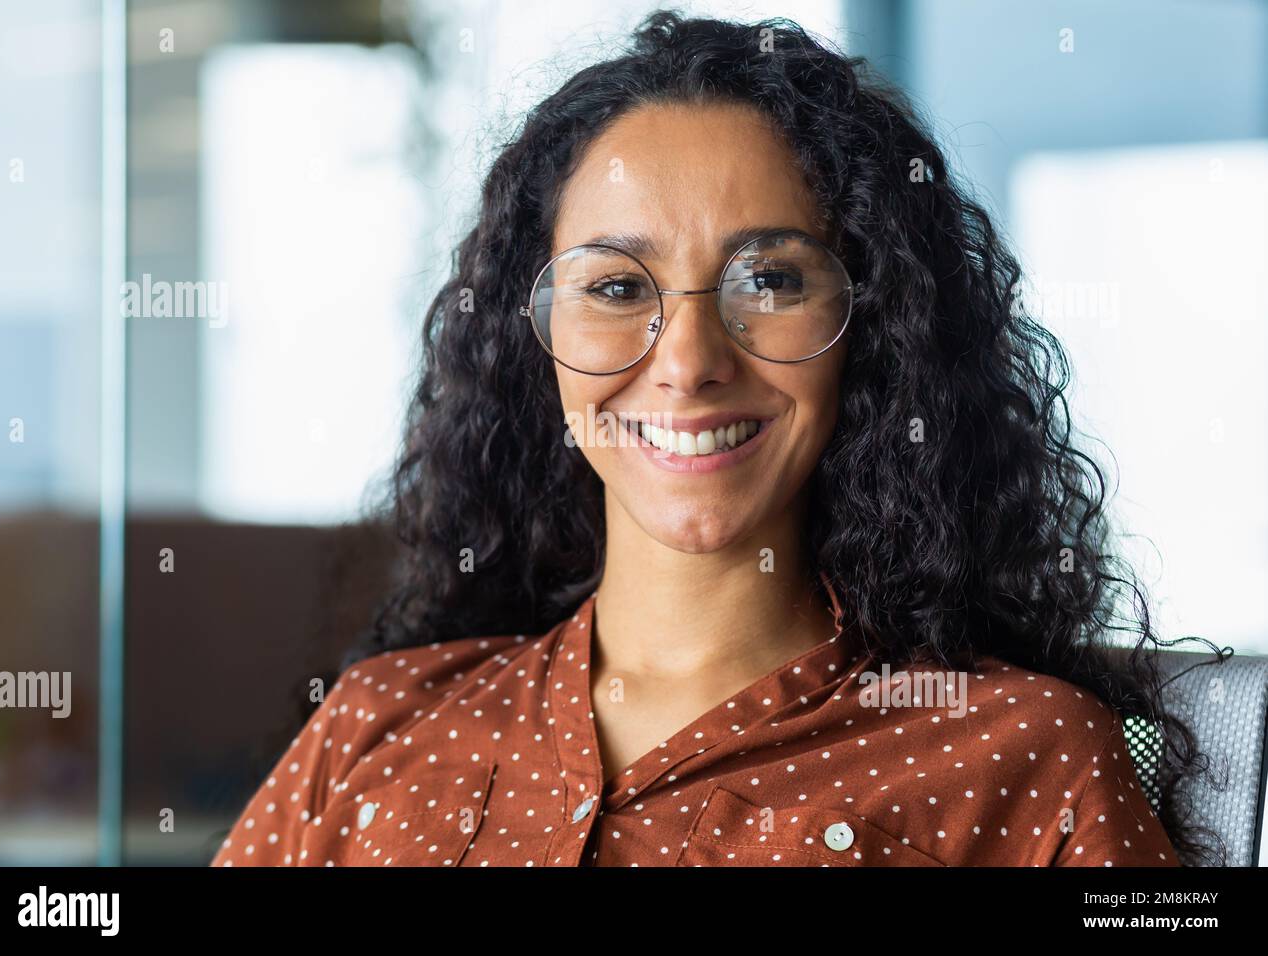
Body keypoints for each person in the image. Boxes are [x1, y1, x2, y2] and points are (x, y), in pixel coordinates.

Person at [212, 10, 1217, 867]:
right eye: (614, 287)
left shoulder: (1027, 754)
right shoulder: (375, 726)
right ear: (538, 336)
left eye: (769, 280)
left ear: (873, 329)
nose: (688, 359)